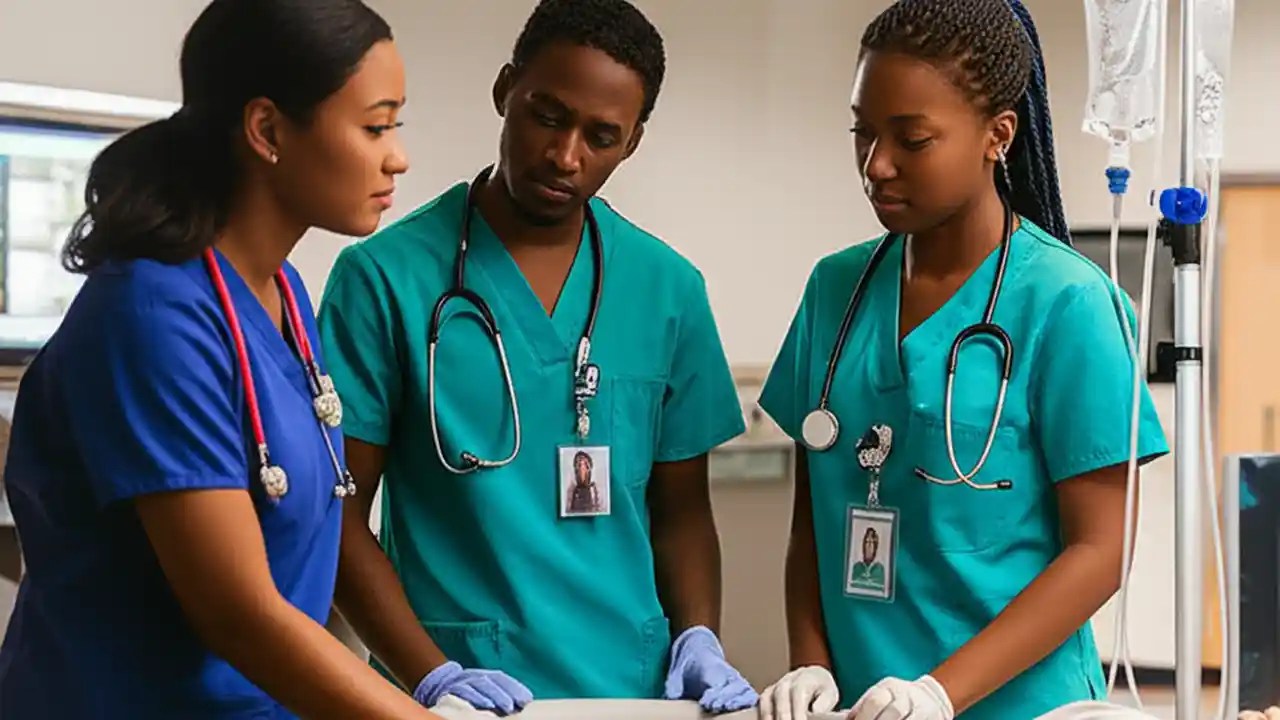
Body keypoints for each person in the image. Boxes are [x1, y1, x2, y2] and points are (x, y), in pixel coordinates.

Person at [316, 0, 756, 715]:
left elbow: (680, 510)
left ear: (633, 142)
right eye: (547, 116)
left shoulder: (668, 288)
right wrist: (428, 677)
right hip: (460, 690)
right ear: (505, 90)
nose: (565, 155)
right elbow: (334, 513)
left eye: (602, 135)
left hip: (631, 689)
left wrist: (700, 634)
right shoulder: (383, 279)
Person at [0, 1, 438, 718]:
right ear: (267, 130)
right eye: (374, 125)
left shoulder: (284, 295)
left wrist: (431, 680)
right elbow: (238, 615)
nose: (398, 155)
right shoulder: (151, 315)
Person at [755, 0, 1169, 718]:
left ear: (996, 135)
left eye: (911, 140)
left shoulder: (1069, 304)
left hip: (1022, 706)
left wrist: (938, 693)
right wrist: (811, 665)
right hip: (862, 706)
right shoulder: (835, 289)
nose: (875, 165)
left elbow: (1100, 552)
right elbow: (812, 523)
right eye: (863, 133)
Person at [566, 450, 603, 515]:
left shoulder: (595, 489)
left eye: (583, 464)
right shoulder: (572, 490)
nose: (580, 469)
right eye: (578, 465)